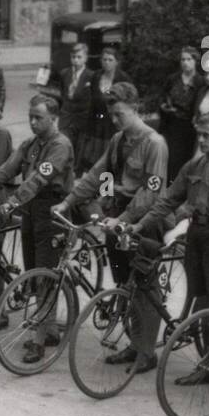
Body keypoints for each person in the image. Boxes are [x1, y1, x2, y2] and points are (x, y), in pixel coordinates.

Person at [55, 83, 169, 374]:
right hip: (117, 216)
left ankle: (146, 352)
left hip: (141, 222)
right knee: (124, 285)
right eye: (112, 115)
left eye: (120, 114)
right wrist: (68, 201)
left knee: (144, 286)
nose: (115, 121)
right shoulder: (119, 140)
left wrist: (124, 220)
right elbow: (97, 174)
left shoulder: (155, 144)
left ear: (136, 109)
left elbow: (151, 191)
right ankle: (134, 344)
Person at [0, 94, 72, 361]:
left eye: (38, 118)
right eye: (30, 116)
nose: (32, 122)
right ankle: (50, 326)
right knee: (34, 273)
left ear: (53, 119)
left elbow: (39, 179)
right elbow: (6, 171)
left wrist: (11, 202)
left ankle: (38, 341)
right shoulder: (30, 144)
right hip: (31, 211)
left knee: (43, 276)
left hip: (52, 212)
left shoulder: (60, 145)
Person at [134, 116, 209, 372]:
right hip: (197, 236)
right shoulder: (194, 166)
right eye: (199, 135)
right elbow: (169, 199)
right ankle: (207, 366)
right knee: (200, 304)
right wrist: (141, 224)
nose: (200, 140)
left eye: (206, 136)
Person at [79, 46, 135, 172]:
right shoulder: (96, 76)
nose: (107, 63)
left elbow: (130, 101)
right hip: (98, 121)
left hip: (115, 123)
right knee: (95, 157)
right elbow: (93, 100)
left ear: (116, 62)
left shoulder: (123, 78)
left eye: (110, 60)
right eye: (104, 59)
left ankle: (111, 184)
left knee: (113, 156)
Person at [159, 47, 200, 181]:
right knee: (171, 160)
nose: (185, 62)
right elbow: (162, 97)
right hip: (171, 125)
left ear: (195, 61)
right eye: (183, 59)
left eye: (189, 59)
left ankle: (182, 192)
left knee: (186, 160)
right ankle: (169, 191)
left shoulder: (200, 81)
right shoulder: (173, 79)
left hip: (189, 127)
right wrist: (164, 107)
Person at [52, 42, 95, 168]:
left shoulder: (91, 76)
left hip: (82, 117)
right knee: (63, 143)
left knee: (79, 146)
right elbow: (62, 94)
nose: (76, 60)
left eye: (79, 57)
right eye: (73, 57)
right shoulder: (65, 73)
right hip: (66, 115)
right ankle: (61, 167)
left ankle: (75, 170)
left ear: (86, 58)